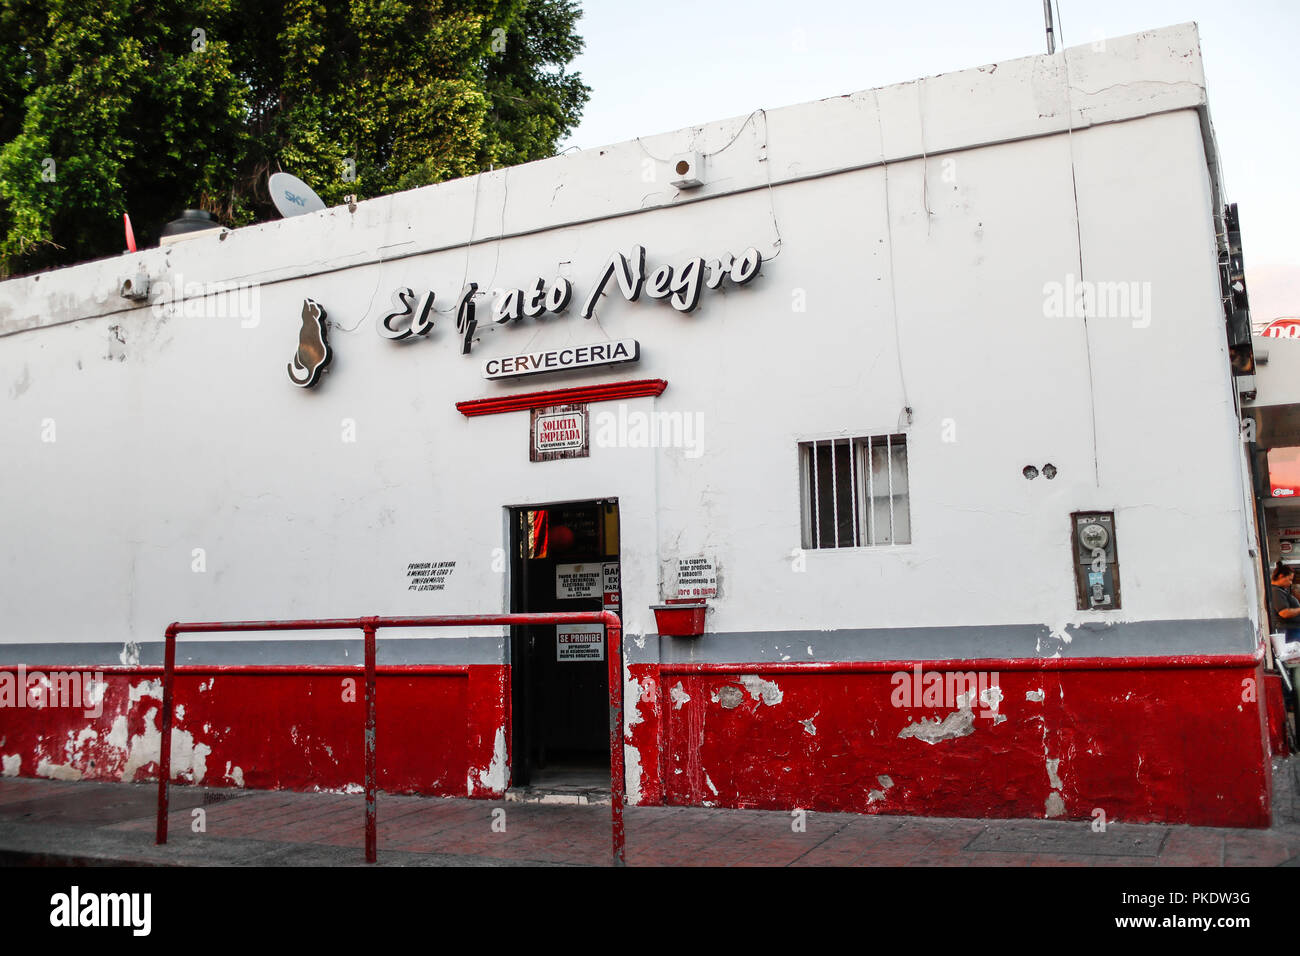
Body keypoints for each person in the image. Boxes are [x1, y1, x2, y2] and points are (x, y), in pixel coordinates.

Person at [1270, 561, 1300, 638]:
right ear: (1281, 576)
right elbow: (1284, 613)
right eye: (1289, 579)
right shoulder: (1275, 591)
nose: (1290, 583)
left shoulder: (1281, 590)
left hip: (1292, 630)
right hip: (1289, 631)